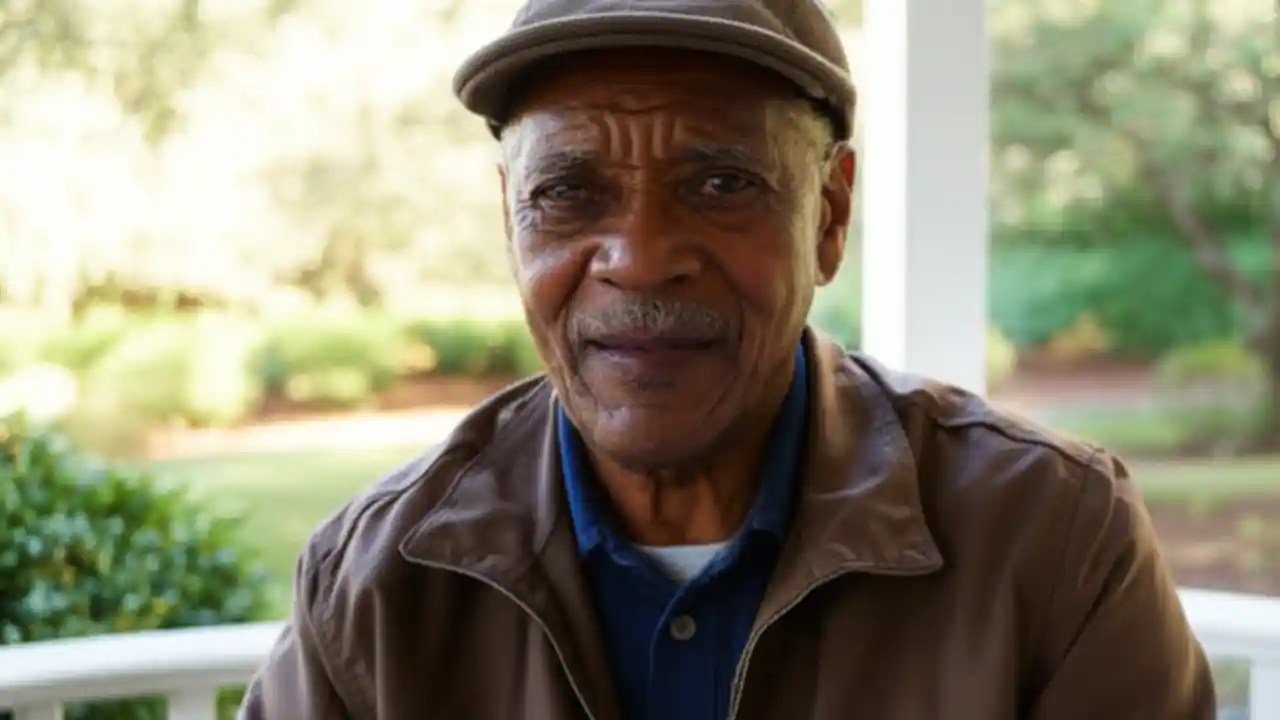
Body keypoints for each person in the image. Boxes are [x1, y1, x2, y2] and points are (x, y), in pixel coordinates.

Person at [240, 1, 1216, 718]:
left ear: (827, 217)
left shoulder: (1052, 545)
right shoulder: (370, 590)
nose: (638, 255)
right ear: (511, 220)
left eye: (718, 182)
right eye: (568, 193)